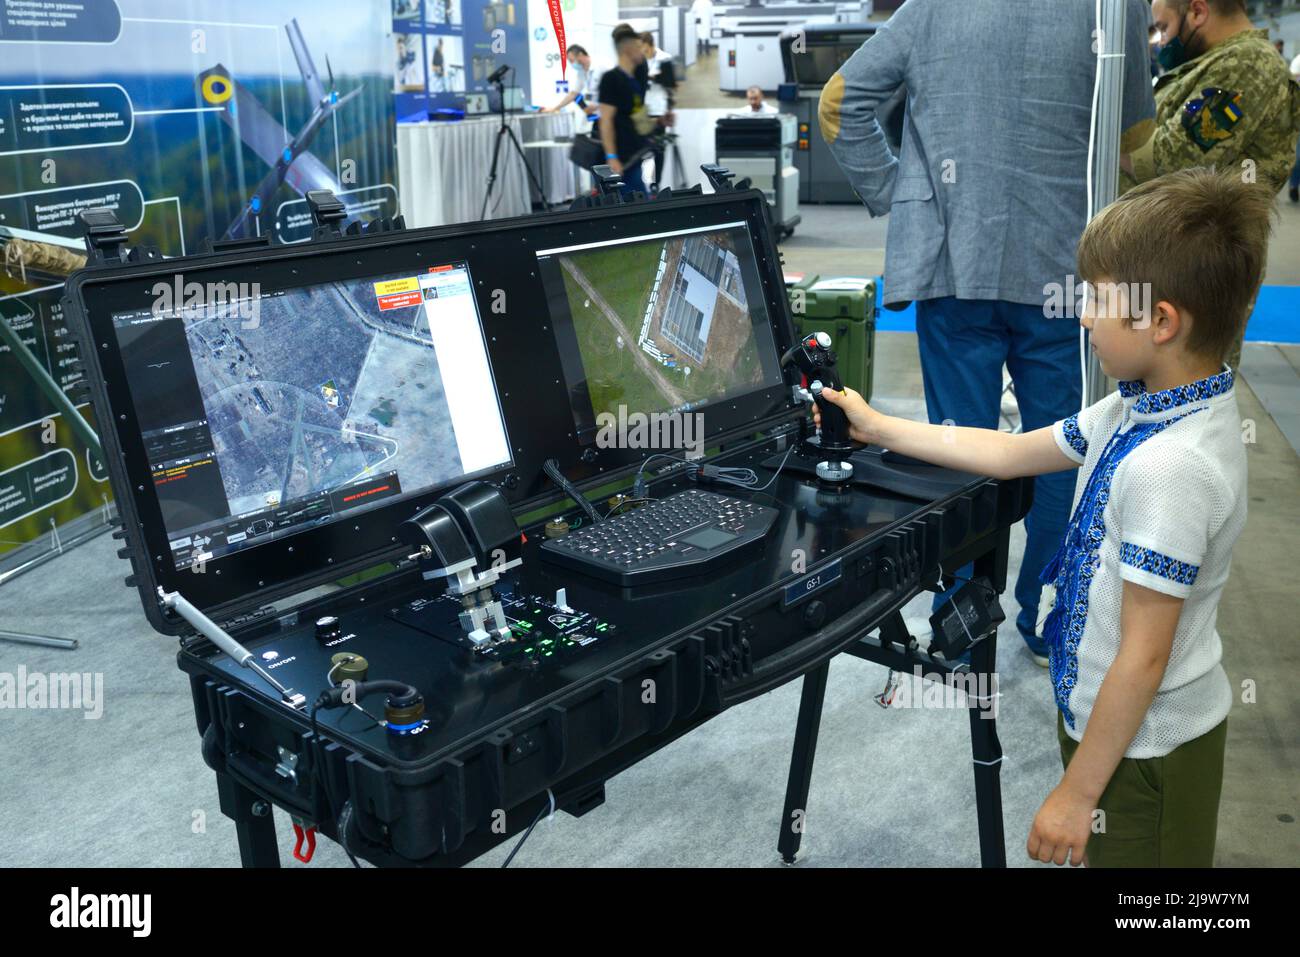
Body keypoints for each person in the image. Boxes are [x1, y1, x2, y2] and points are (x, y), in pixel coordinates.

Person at [815, 168, 1273, 866]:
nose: (1081, 314)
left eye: (1097, 299)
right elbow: (1007, 451)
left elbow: (1145, 656)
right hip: (1108, 726)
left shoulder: (1170, 468)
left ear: (1161, 320)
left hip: (1146, 750)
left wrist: (1076, 793)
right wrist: (878, 425)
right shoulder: (1139, 406)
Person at [817, 0, 1157, 665]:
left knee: (953, 445)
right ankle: (1048, 611)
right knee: (1066, 448)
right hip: (1068, 263)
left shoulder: (935, 7)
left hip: (953, 258)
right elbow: (1134, 136)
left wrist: (899, 193)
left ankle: (958, 617)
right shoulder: (1112, 8)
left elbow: (839, 103)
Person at [1127, 0, 1300, 369]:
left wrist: (1112, 145)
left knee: (1187, 389)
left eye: (1163, 28)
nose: (1160, 41)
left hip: (1202, 261)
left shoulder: (1246, 64)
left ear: (1198, 13)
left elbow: (1170, 157)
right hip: (1176, 251)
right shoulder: (1215, 61)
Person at [598, 24, 671, 195]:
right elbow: (606, 121)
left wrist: (659, 121)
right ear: (628, 50)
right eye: (638, 47)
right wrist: (611, 157)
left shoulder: (634, 83)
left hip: (633, 157)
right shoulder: (611, 79)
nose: (643, 52)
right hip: (620, 161)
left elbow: (638, 116)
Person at [542, 44, 602, 116]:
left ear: (580, 55)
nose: (572, 64)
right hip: (597, 116)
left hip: (610, 114)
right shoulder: (581, 73)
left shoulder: (602, 67)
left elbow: (614, 92)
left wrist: (598, 105)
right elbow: (573, 94)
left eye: (572, 60)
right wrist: (555, 108)